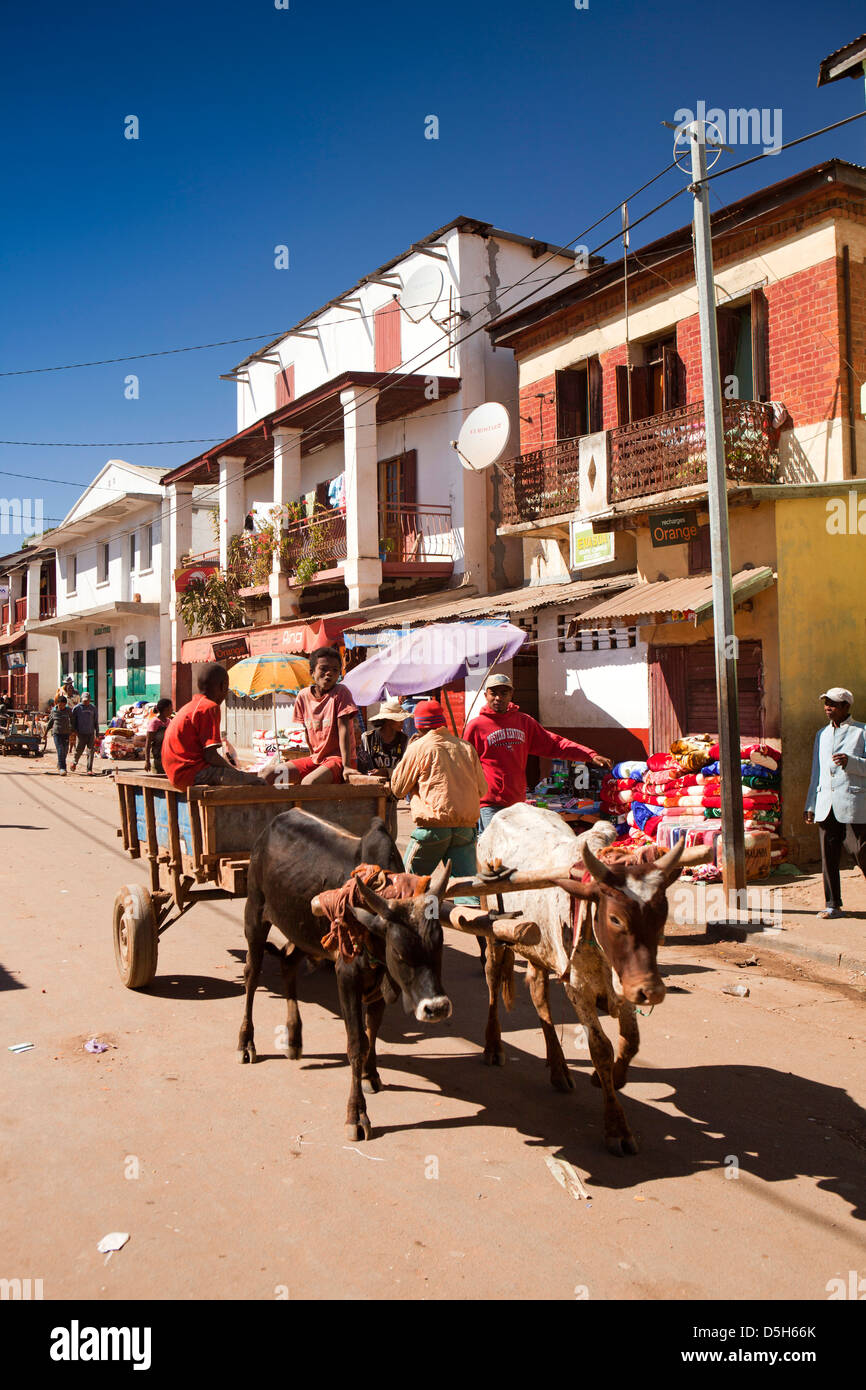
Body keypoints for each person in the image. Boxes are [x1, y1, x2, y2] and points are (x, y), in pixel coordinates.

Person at [464, 672, 613, 831]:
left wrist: (589, 755)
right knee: (495, 850)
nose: (498, 698)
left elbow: (555, 744)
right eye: (493, 693)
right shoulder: (476, 726)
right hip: (490, 803)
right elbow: (465, 765)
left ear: (511, 694)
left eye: (504, 693)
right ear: (485, 695)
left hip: (517, 803)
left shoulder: (524, 722)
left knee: (518, 848)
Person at [389, 699, 487, 883]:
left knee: (405, 884)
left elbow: (398, 789)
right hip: (465, 829)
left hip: (432, 828)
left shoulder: (418, 747)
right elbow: (482, 790)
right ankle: (470, 910)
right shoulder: (466, 747)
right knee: (465, 886)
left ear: (418, 725)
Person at [804, 686, 866, 919]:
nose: (828, 707)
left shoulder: (862, 732)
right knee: (828, 856)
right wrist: (810, 804)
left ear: (846, 707)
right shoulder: (822, 734)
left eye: (833, 703)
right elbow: (816, 772)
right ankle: (833, 904)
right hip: (825, 803)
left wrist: (852, 762)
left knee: (860, 851)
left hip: (854, 803)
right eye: (826, 703)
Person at [162, 665, 275, 790]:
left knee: (241, 777)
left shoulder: (189, 707)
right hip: (192, 773)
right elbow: (210, 756)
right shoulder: (209, 707)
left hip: (176, 774)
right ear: (223, 686)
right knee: (258, 783)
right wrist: (236, 773)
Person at [288, 647, 358, 785]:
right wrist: (312, 757)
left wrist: (347, 766)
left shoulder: (341, 692)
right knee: (270, 774)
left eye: (335, 670)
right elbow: (308, 732)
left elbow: (343, 729)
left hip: (340, 759)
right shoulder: (303, 696)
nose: (329, 674)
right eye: (324, 669)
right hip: (316, 759)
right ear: (312, 672)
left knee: (309, 783)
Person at [357, 697, 410, 776]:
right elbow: (363, 765)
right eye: (399, 719)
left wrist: (386, 772)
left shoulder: (405, 740)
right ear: (388, 720)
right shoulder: (368, 738)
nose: (402, 722)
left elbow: (406, 770)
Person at [70, 692, 100, 775]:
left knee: (91, 751)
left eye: (87, 700)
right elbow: (73, 721)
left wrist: (97, 733)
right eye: (84, 701)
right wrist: (74, 731)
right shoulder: (77, 708)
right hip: (80, 733)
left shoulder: (93, 708)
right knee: (79, 750)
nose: (86, 702)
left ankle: (89, 769)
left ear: (90, 700)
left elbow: (95, 721)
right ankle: (74, 762)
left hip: (90, 733)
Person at [43, 695, 73, 775]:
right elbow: (50, 723)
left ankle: (60, 764)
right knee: (60, 750)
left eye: (63, 705)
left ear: (65, 704)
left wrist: (73, 730)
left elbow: (73, 721)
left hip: (66, 733)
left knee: (65, 751)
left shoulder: (68, 711)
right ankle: (63, 768)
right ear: (57, 704)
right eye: (60, 705)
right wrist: (45, 733)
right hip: (57, 734)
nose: (62, 707)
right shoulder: (54, 711)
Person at [144, 698, 173, 776]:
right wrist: (147, 761)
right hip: (157, 759)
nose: (172, 710)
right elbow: (148, 742)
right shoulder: (154, 722)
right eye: (171, 708)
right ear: (166, 709)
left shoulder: (169, 721)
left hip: (167, 758)